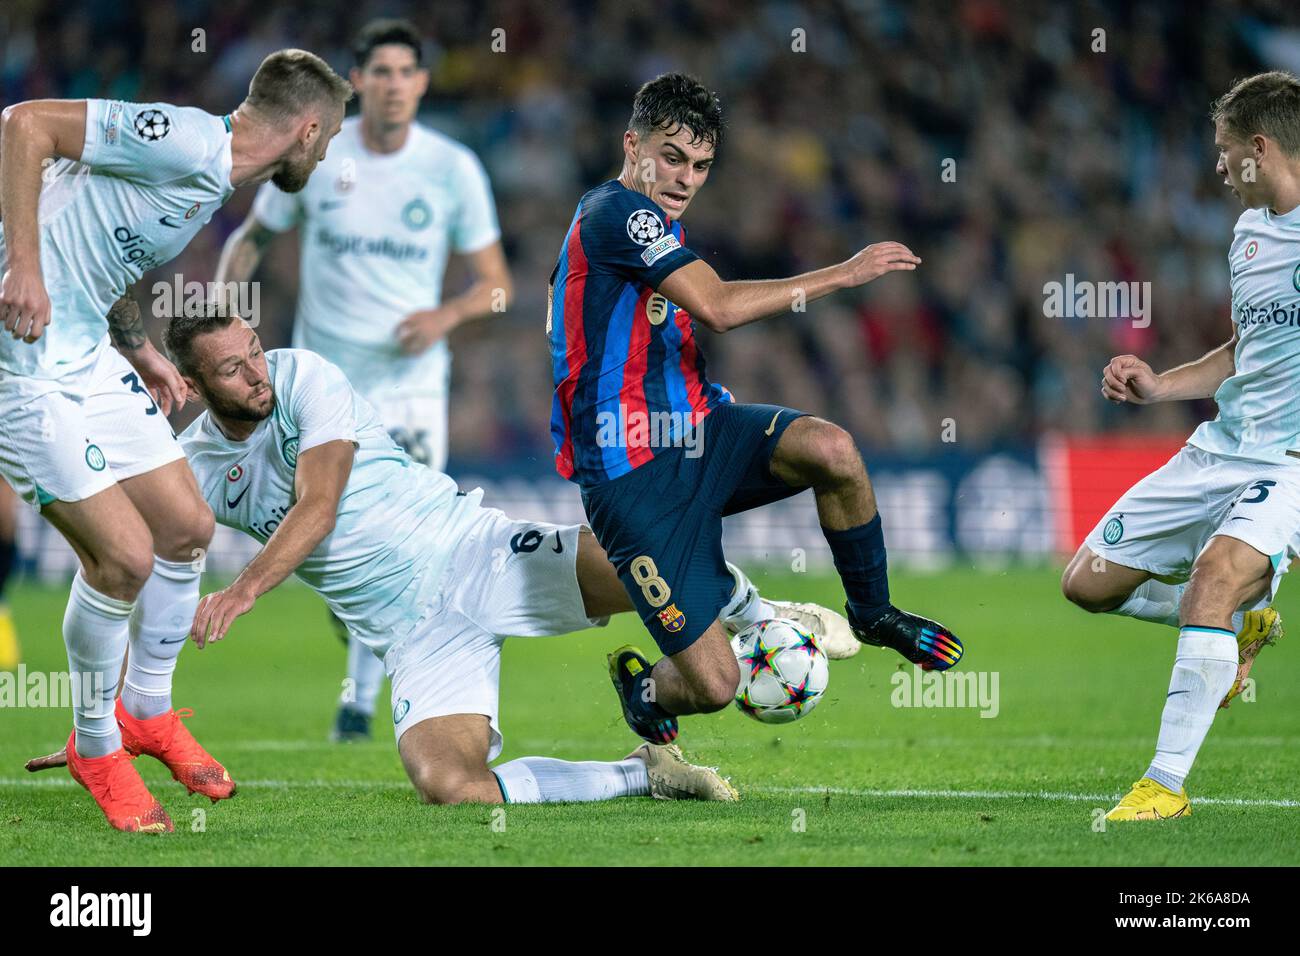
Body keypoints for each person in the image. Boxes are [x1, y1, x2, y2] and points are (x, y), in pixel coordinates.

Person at [169, 312, 768, 804]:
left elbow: (318, 505)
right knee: (452, 788)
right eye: (232, 368)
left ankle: (761, 616)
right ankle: (644, 773)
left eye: (254, 347)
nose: (256, 373)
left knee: (645, 569)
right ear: (193, 387)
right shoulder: (191, 468)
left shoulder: (302, 375)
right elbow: (129, 566)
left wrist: (243, 589)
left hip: (475, 553)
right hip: (413, 637)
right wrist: (116, 708)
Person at [545, 73, 963, 746]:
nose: (685, 177)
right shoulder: (617, 215)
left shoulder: (648, 227)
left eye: (702, 165)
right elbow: (719, 309)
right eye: (672, 157)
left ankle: (873, 614)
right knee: (714, 687)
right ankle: (644, 684)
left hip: (699, 434)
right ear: (633, 145)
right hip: (632, 479)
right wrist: (843, 273)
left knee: (833, 450)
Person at [0, 48, 350, 832]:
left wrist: (141, 347)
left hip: (87, 346)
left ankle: (145, 712)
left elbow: (113, 250)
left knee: (185, 529)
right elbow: (23, 127)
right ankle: (95, 744)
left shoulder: (208, 181)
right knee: (120, 557)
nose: (324, 157)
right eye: (327, 144)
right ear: (309, 128)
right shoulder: (187, 140)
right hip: (19, 357)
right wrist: (21, 264)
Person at [216, 19, 513, 743]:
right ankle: (369, 678)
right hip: (323, 388)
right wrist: (220, 316)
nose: (392, 85)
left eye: (405, 72)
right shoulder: (321, 154)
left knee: (408, 547)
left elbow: (498, 288)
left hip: (411, 387)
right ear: (357, 84)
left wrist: (445, 315)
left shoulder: (452, 168)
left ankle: (363, 703)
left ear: (422, 83)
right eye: (378, 72)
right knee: (335, 545)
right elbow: (252, 236)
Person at [1060, 71, 1300, 821]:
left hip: (1288, 464)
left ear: (1261, 149)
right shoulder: (1249, 233)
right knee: (1087, 583)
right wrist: (1159, 385)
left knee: (1213, 575)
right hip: (1219, 445)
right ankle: (1240, 616)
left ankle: (1163, 786)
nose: (1219, 167)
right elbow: (1244, 348)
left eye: (1226, 153)